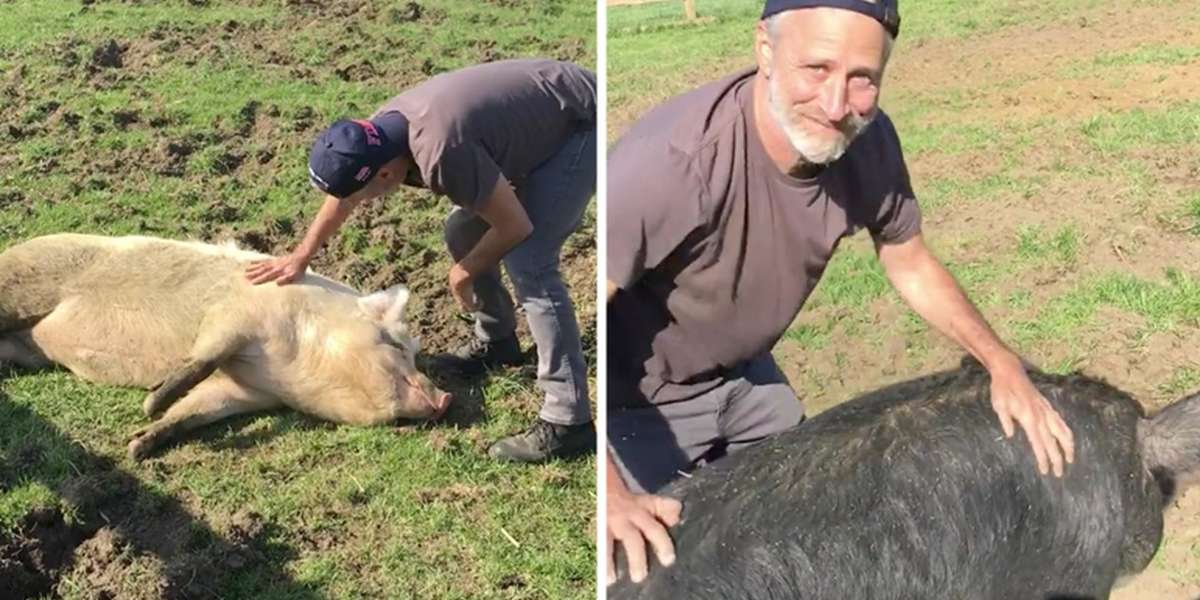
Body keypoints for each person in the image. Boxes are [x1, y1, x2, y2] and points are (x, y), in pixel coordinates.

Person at [604, 0, 1076, 584]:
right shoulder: (672, 164)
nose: (835, 106)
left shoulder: (867, 140)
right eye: (817, 69)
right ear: (765, 51)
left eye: (862, 79)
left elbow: (910, 261)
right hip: (634, 400)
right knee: (657, 573)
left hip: (744, 375)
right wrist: (609, 493)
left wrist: (1001, 362)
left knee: (804, 545)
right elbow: (585, 320)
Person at [246, 58, 598, 463]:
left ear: (383, 176)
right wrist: (302, 254)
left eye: (362, 196)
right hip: (539, 113)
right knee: (462, 231)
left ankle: (567, 419)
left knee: (530, 261)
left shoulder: (440, 152)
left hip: (578, 122)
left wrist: (462, 273)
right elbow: (343, 194)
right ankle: (498, 341)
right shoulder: (376, 135)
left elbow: (515, 226)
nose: (360, 205)